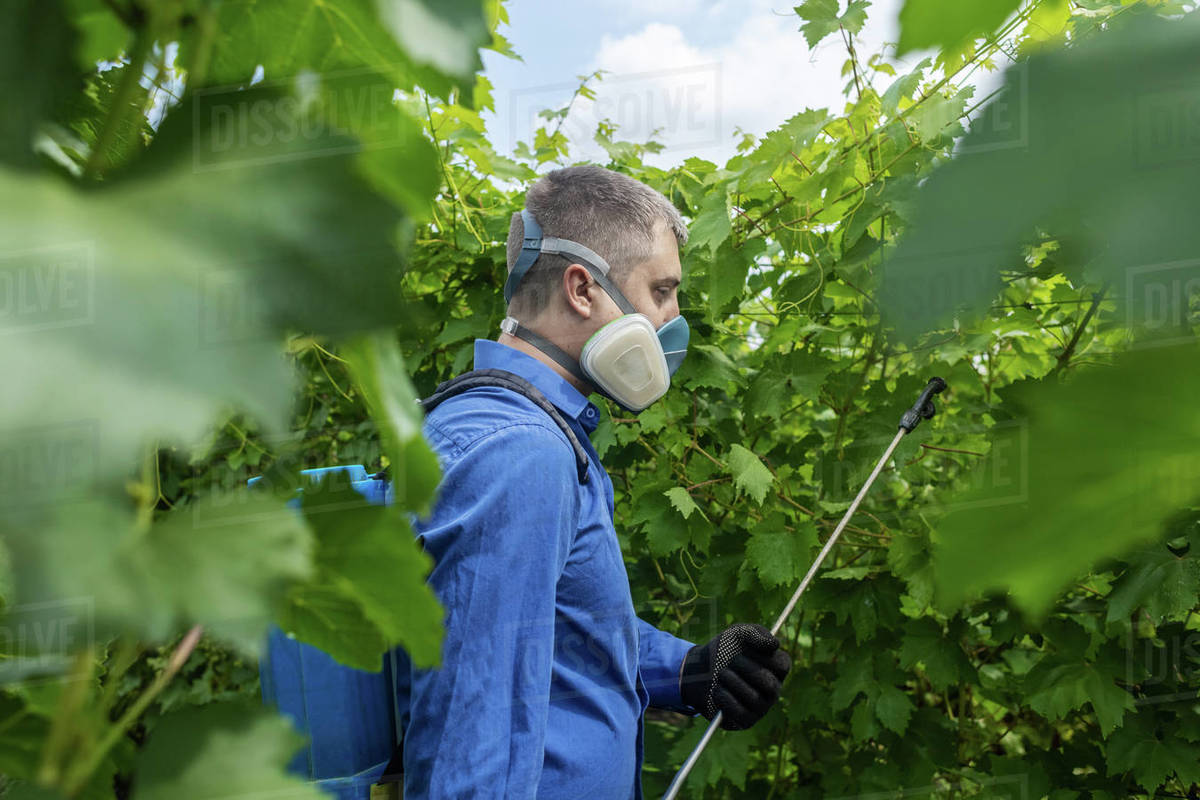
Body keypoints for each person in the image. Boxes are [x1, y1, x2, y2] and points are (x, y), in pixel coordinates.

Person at [393, 165, 791, 799]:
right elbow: (473, 733)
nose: (675, 318)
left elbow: (548, 638)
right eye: (662, 290)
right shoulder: (519, 454)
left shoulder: (521, 426)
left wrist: (684, 670)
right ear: (583, 289)